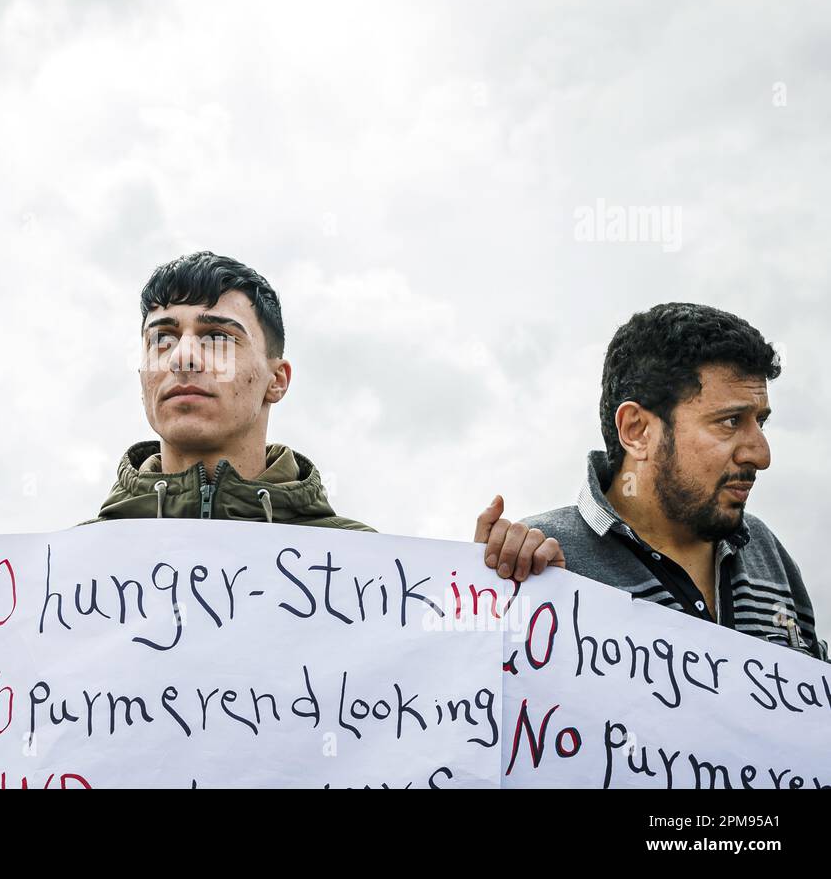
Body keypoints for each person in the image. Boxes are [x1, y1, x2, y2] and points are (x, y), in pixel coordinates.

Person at [90, 251, 563, 582]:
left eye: (218, 338)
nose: (184, 357)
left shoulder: (374, 574)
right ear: (141, 376)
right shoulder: (60, 580)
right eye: (163, 339)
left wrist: (499, 594)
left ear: (278, 379)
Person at [488, 302, 825, 659]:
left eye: (761, 422)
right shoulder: (536, 566)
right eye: (730, 421)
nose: (761, 455)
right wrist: (484, 611)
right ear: (637, 430)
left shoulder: (768, 554)